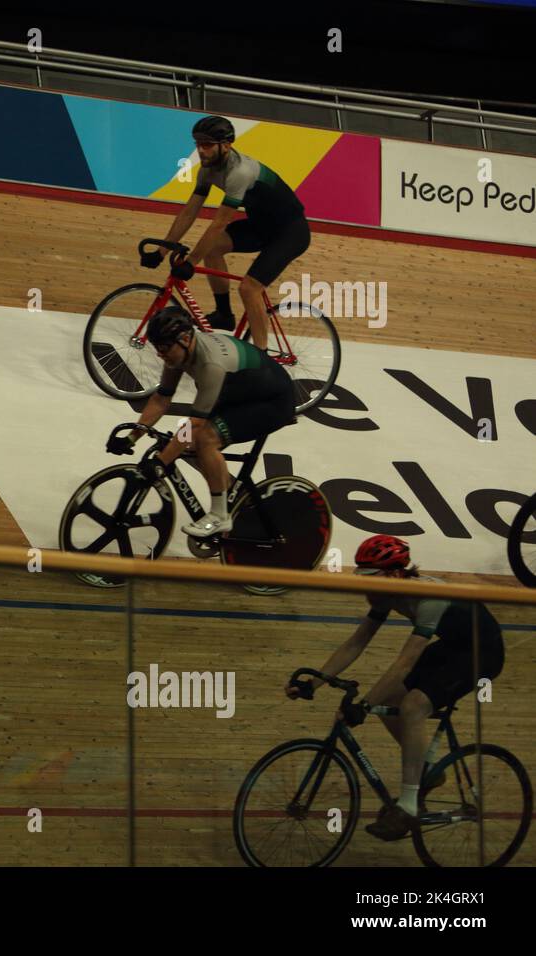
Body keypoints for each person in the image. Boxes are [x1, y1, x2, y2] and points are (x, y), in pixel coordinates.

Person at [285, 534, 505, 841]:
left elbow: (404, 662)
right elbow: (357, 642)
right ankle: (428, 771)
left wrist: (362, 706)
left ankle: (409, 805)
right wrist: (315, 683)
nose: (366, 589)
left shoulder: (429, 599)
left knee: (413, 706)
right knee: (386, 701)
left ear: (396, 574)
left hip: (483, 654)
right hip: (453, 646)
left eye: (372, 580)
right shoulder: (386, 594)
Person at [106, 306, 294, 537]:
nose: (160, 355)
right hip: (240, 392)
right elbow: (161, 399)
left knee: (205, 438)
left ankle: (219, 516)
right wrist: (132, 437)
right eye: (157, 349)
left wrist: (161, 462)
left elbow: (194, 425)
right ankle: (235, 494)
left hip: (272, 402)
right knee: (187, 445)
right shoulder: (179, 353)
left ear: (185, 339)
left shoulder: (209, 365)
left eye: (164, 348)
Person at [144, 115, 311, 349]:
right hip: (261, 226)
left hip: (290, 231)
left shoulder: (240, 172)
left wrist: (191, 262)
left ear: (226, 145)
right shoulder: (206, 170)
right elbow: (189, 213)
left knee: (249, 289)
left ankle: (261, 357)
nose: (201, 150)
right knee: (212, 249)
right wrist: (162, 250)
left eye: (207, 145)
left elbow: (218, 224)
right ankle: (224, 314)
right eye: (198, 144)